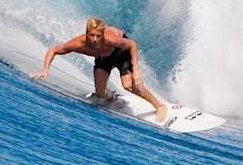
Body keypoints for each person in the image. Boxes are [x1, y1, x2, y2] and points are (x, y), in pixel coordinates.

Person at [32, 17, 173, 123]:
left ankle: (159, 106)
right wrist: (45, 70)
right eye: (91, 35)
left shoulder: (111, 39)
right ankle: (112, 97)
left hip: (120, 53)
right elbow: (54, 50)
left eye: (98, 36)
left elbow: (132, 45)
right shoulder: (78, 44)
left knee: (128, 84)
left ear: (102, 34)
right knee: (100, 95)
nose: (94, 39)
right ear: (87, 33)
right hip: (103, 58)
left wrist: (136, 71)